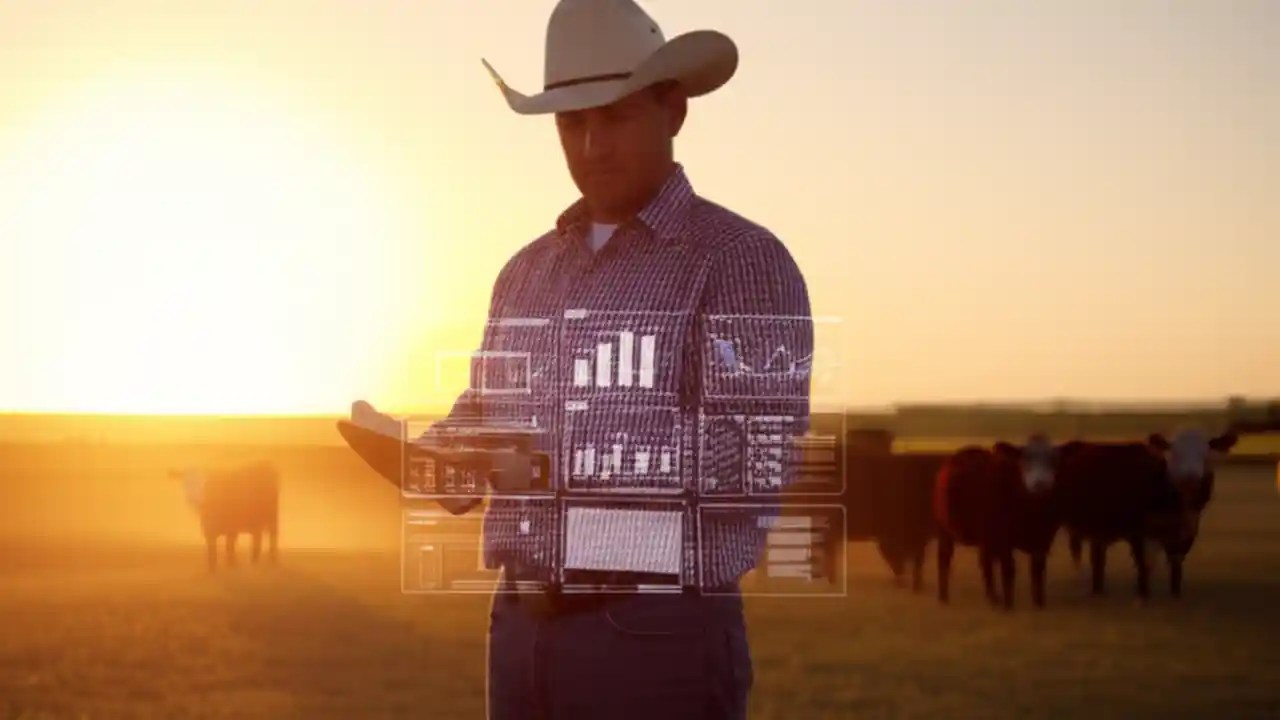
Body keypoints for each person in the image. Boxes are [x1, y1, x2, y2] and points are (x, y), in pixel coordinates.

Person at [354, 1, 812, 717]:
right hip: (519, 628)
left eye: (616, 116)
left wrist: (544, 460)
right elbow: (485, 414)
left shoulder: (740, 260)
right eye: (572, 123)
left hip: (658, 632)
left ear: (673, 110)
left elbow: (753, 461)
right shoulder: (525, 272)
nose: (592, 144)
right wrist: (425, 456)